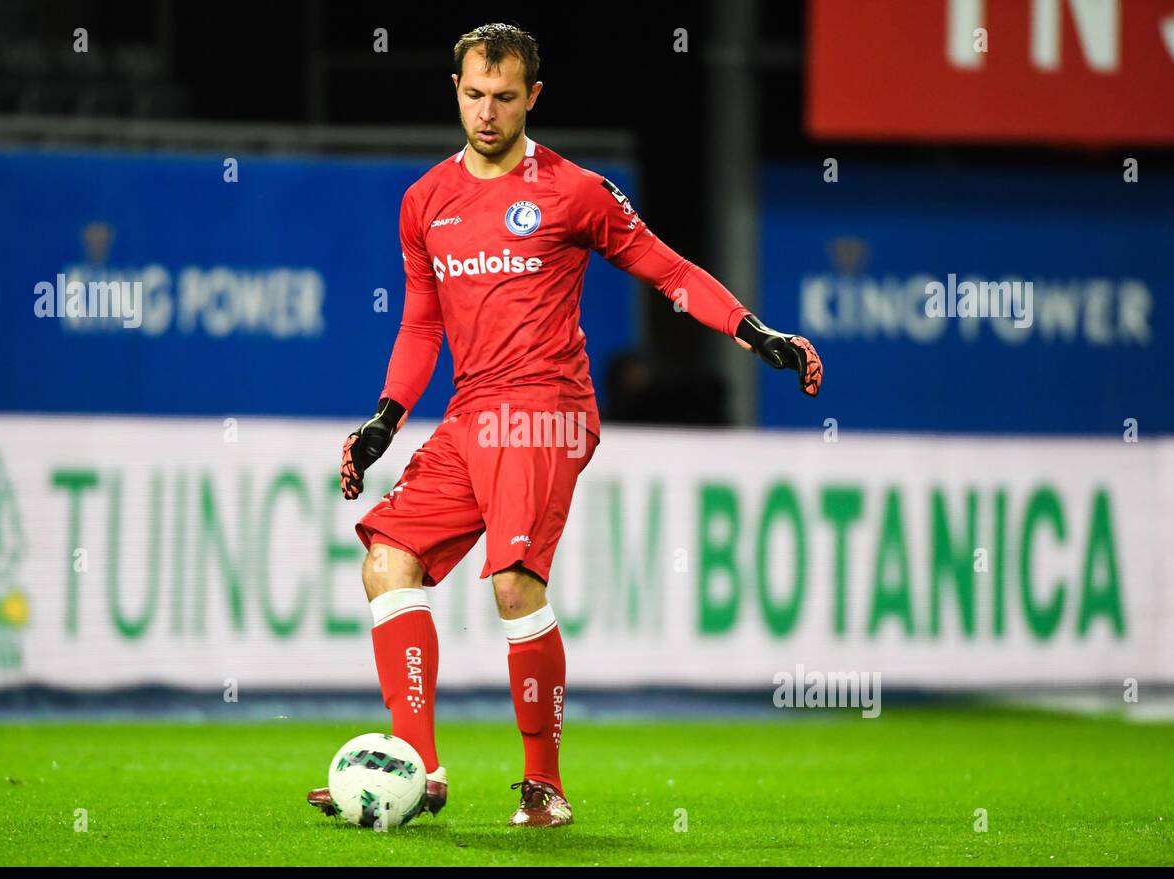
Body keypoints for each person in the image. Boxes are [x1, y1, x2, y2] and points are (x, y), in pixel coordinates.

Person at [307, 22, 822, 828]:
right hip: (472, 411)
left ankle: (543, 786)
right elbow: (420, 326)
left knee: (514, 584)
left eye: (504, 97)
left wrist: (752, 330)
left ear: (532, 97)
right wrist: (385, 419)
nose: (486, 112)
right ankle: (419, 769)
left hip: (548, 407)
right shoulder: (425, 203)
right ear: (456, 89)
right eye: (474, 94)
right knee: (388, 561)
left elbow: (668, 268)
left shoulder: (573, 190)